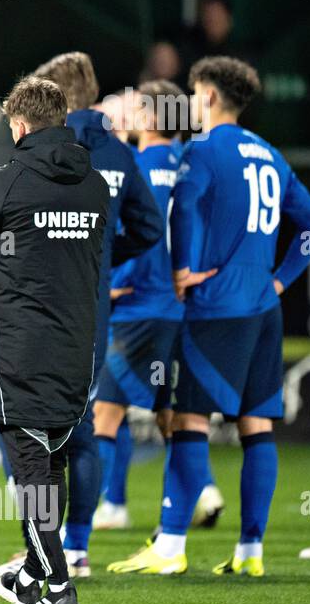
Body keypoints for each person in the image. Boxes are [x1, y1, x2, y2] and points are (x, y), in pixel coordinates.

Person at [108, 56, 310, 577]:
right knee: (257, 427)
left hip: (214, 309)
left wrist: (182, 269)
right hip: (264, 308)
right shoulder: (271, 154)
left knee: (187, 420)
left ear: (206, 96)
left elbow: (184, 207)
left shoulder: (203, 150)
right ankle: (251, 551)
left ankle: (171, 546)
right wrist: (278, 280)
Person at [0, 76, 109, 604]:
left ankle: (58, 585)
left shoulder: (6, 179)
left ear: (18, 126)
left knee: (32, 472)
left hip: (18, 349)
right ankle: (33, 572)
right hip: (77, 348)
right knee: (50, 464)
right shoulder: (95, 184)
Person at [21, 51, 162, 578]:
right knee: (80, 431)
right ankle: (74, 546)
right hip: (94, 308)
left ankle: (43, 551)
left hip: (41, 307)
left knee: (30, 432)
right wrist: (102, 257)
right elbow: (149, 228)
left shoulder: (50, 150)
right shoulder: (120, 153)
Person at [91, 80, 222, 532]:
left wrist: (111, 283)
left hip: (135, 302)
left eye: (135, 108)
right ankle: (203, 489)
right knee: (168, 410)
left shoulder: (132, 164)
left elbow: (137, 232)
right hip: (180, 305)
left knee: (105, 411)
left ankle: (109, 506)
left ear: (149, 118)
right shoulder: (190, 163)